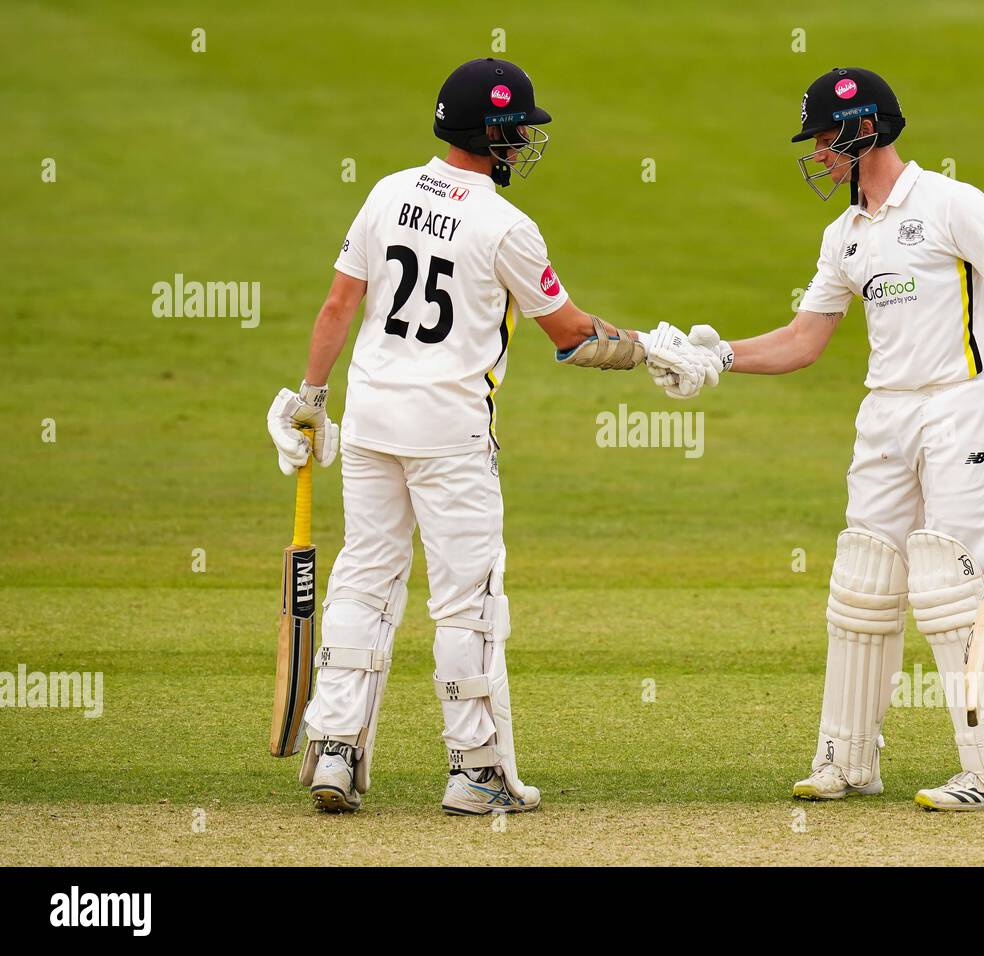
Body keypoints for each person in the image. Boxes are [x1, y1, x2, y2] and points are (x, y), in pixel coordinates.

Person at [266, 57, 719, 815]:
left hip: (374, 421)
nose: (524, 146)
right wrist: (653, 348)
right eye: (518, 133)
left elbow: (338, 305)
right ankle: (475, 772)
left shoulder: (387, 193)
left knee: (365, 580)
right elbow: (572, 336)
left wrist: (311, 398)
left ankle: (336, 752)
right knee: (467, 602)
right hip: (449, 435)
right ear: (496, 135)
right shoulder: (505, 225)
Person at [662, 67, 984, 810]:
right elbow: (803, 339)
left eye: (825, 139)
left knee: (951, 584)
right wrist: (717, 355)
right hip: (884, 414)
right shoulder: (844, 236)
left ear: (864, 130)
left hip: (959, 406)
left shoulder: (951, 202)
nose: (818, 154)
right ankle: (848, 760)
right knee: (864, 580)